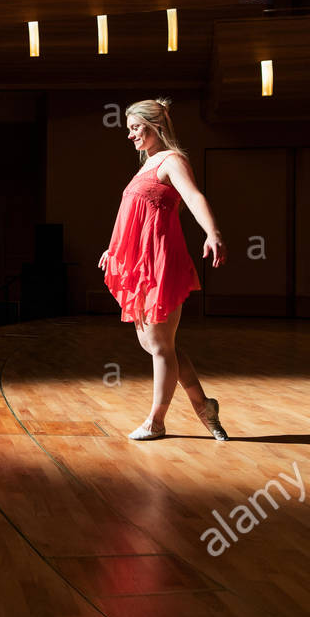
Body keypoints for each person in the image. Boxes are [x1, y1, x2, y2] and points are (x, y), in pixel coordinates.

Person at [97, 96, 229, 442]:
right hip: (139, 263)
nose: (130, 135)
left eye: (135, 128)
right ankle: (203, 405)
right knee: (157, 343)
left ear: (155, 126)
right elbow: (133, 217)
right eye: (128, 129)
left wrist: (212, 232)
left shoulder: (172, 160)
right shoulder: (146, 165)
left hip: (161, 260)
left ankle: (156, 421)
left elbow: (194, 196)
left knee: (158, 344)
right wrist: (114, 250)